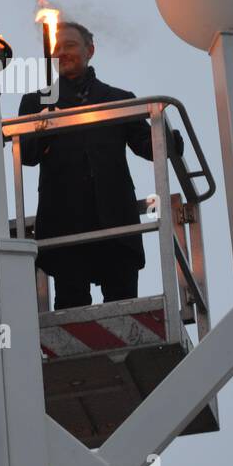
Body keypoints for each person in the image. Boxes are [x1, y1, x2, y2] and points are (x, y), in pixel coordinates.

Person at [18, 21, 183, 310]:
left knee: (124, 308)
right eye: (57, 47)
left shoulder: (119, 99)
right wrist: (45, 124)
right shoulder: (36, 102)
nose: (62, 52)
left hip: (116, 223)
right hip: (64, 226)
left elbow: (147, 146)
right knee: (71, 307)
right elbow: (28, 156)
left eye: (70, 45)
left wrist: (169, 140)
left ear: (90, 50)